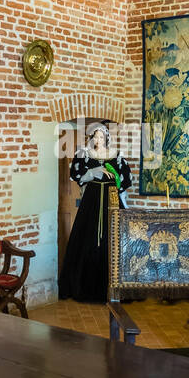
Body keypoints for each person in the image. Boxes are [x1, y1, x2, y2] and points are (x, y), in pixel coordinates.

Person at [58, 123, 132, 303]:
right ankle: (83, 287)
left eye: (101, 137)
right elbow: (77, 176)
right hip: (91, 199)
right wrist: (93, 172)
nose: (98, 140)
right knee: (87, 237)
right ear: (91, 139)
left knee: (114, 238)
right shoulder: (84, 155)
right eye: (95, 137)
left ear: (106, 138)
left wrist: (114, 179)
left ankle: (116, 288)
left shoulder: (116, 156)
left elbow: (125, 178)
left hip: (111, 199)